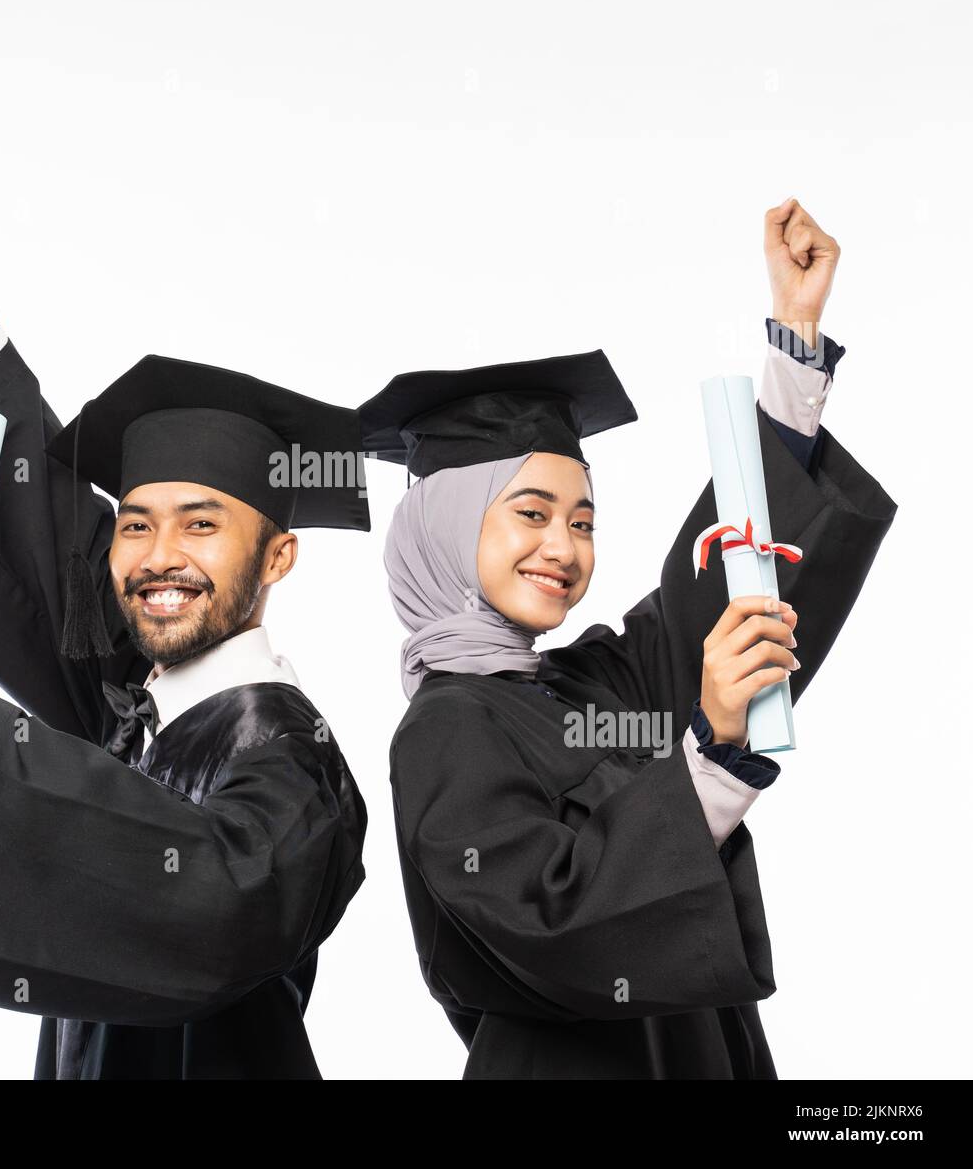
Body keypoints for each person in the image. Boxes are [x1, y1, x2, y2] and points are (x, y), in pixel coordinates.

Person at [0, 179, 369, 1080]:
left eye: (202, 524)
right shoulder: (130, 707)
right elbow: (47, 536)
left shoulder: (294, 755)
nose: (159, 556)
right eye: (134, 523)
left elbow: (219, 911)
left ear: (276, 558)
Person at [360, 199, 897, 1079]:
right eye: (530, 513)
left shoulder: (584, 685)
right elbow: (547, 924)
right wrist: (709, 754)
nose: (564, 547)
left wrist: (793, 348)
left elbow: (713, 600)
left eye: (583, 519)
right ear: (448, 525)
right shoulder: (446, 730)